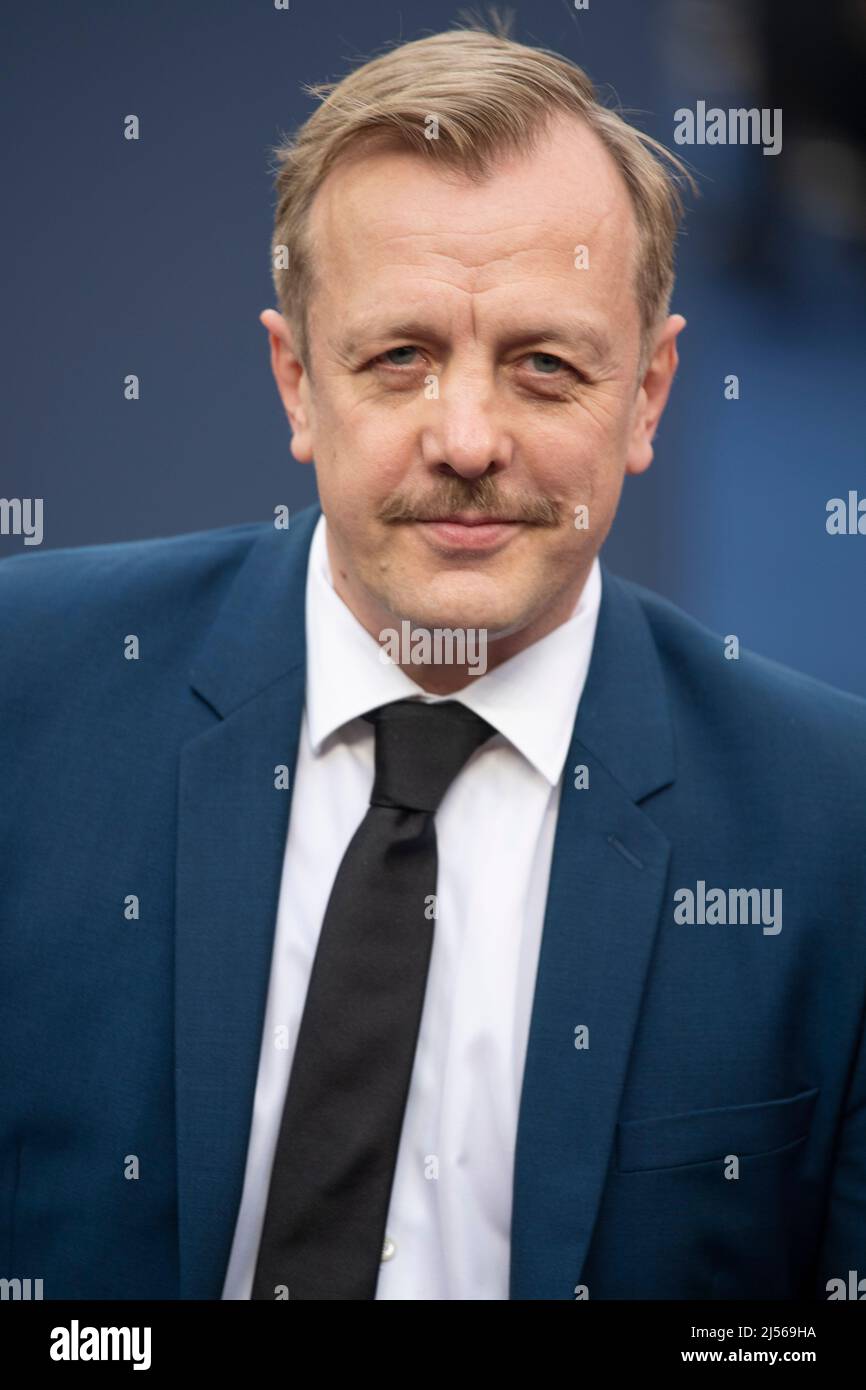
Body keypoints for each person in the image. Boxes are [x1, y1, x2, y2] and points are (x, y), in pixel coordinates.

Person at [1, 23, 864, 1302]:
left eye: (544, 365)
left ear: (648, 395)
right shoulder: (27, 692)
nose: (466, 438)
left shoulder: (833, 825)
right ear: (296, 382)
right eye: (397, 357)